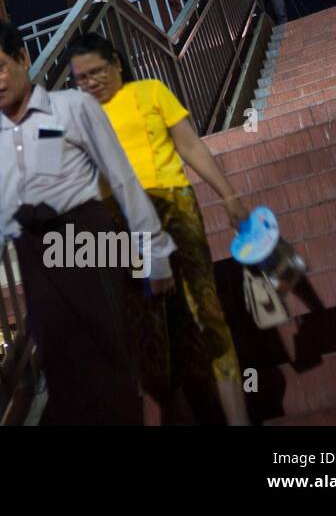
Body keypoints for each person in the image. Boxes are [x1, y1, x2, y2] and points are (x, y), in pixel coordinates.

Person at [0, 20, 178, 425]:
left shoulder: (73, 108)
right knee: (64, 377)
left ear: (23, 58)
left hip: (88, 241)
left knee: (113, 359)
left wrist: (157, 255)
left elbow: (122, 178)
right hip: (36, 260)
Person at [68, 33, 251, 425]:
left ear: (116, 62)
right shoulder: (79, 119)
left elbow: (191, 147)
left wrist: (229, 195)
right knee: (148, 333)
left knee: (208, 312)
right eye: (80, 79)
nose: (89, 84)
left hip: (174, 207)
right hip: (118, 225)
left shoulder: (150, 92)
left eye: (96, 72)